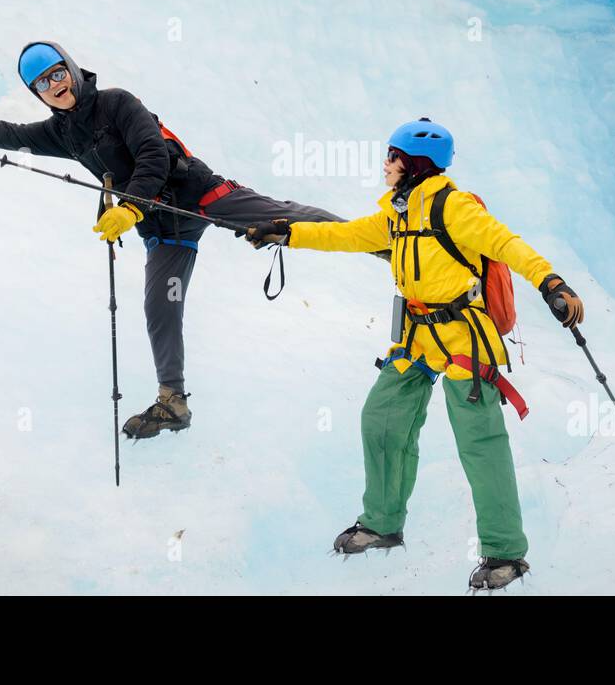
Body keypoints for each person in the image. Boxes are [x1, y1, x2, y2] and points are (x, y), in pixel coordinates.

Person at [0, 41, 343, 438]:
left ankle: (374, 238)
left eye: (57, 72)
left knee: (281, 218)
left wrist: (131, 206)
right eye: (42, 83)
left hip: (199, 194)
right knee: (161, 306)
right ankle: (172, 402)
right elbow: (10, 135)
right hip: (164, 229)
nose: (54, 85)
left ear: (71, 69)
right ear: (37, 93)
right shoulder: (60, 133)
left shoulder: (117, 103)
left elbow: (154, 155)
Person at [244, 118, 585, 591]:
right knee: (381, 418)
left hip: (465, 337)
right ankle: (382, 524)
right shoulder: (398, 215)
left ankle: (505, 552)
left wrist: (552, 284)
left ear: (414, 164)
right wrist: (288, 233)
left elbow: (508, 244)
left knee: (479, 442)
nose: (385, 165)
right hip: (418, 336)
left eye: (392, 156)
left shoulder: (454, 208)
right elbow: (348, 235)